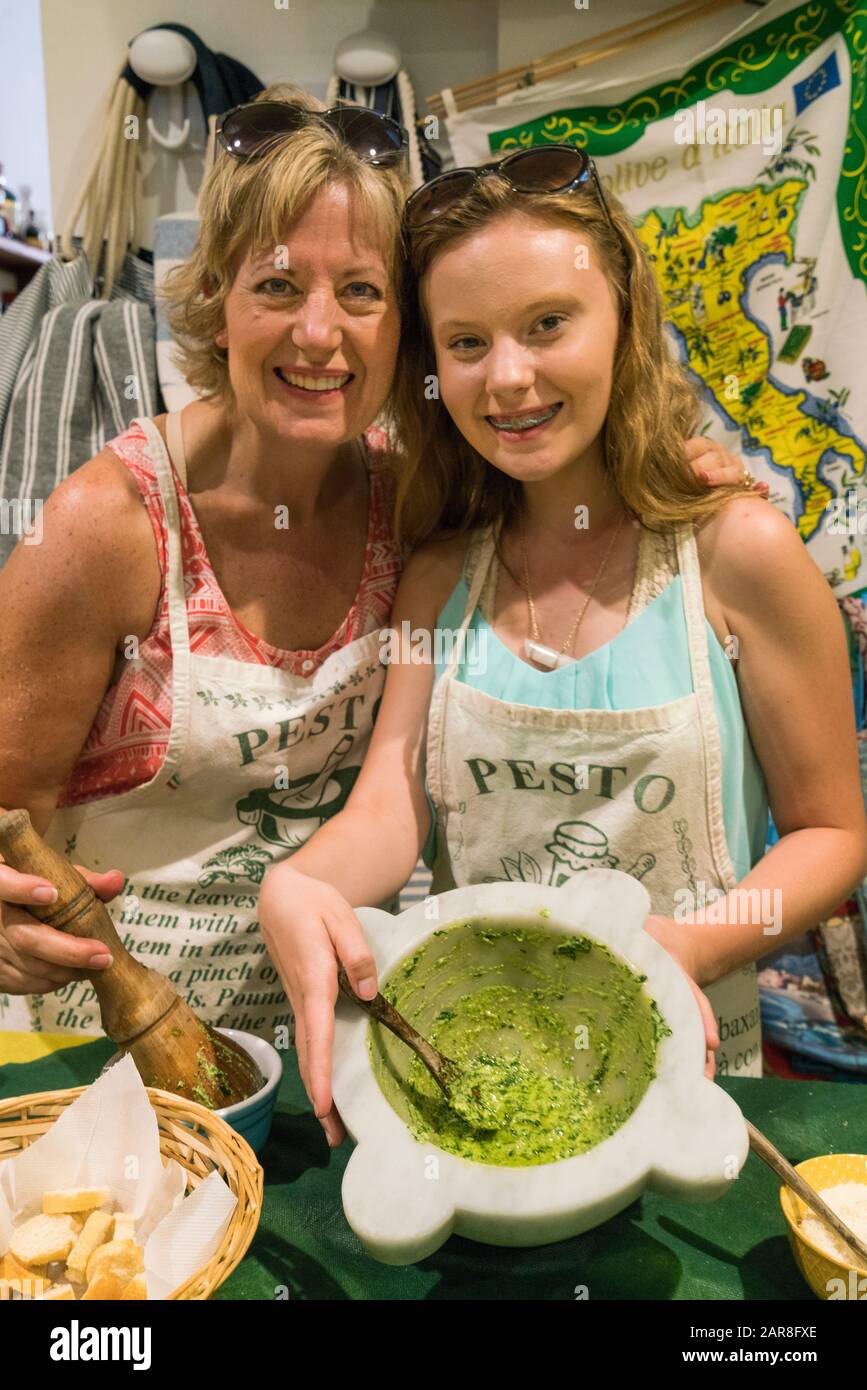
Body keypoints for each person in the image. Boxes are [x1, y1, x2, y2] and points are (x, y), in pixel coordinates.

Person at [0, 92, 761, 1040]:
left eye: (360, 292)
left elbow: (571, 484)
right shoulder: (104, 526)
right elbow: (5, 819)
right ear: (215, 303)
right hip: (118, 1049)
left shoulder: (421, 501)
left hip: (356, 1036)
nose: (319, 333)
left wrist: (674, 471)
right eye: (277, 286)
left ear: (402, 329)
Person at [256, 145, 867, 1146]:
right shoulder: (442, 574)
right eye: (465, 342)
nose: (508, 378)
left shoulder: (736, 551)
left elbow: (833, 835)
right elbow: (388, 808)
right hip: (472, 1071)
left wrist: (683, 946)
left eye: (548, 323)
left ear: (623, 319)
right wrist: (303, 883)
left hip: (695, 1075)